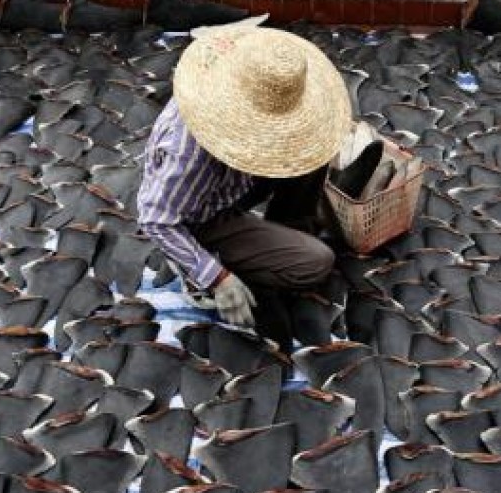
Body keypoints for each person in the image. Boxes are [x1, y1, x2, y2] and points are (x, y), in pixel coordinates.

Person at [137, 25, 352, 351]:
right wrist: (217, 278)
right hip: (198, 216)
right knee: (317, 262)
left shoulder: (237, 77)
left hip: (231, 183)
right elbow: (155, 219)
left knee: (311, 152)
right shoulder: (191, 153)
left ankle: (280, 237)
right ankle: (214, 265)